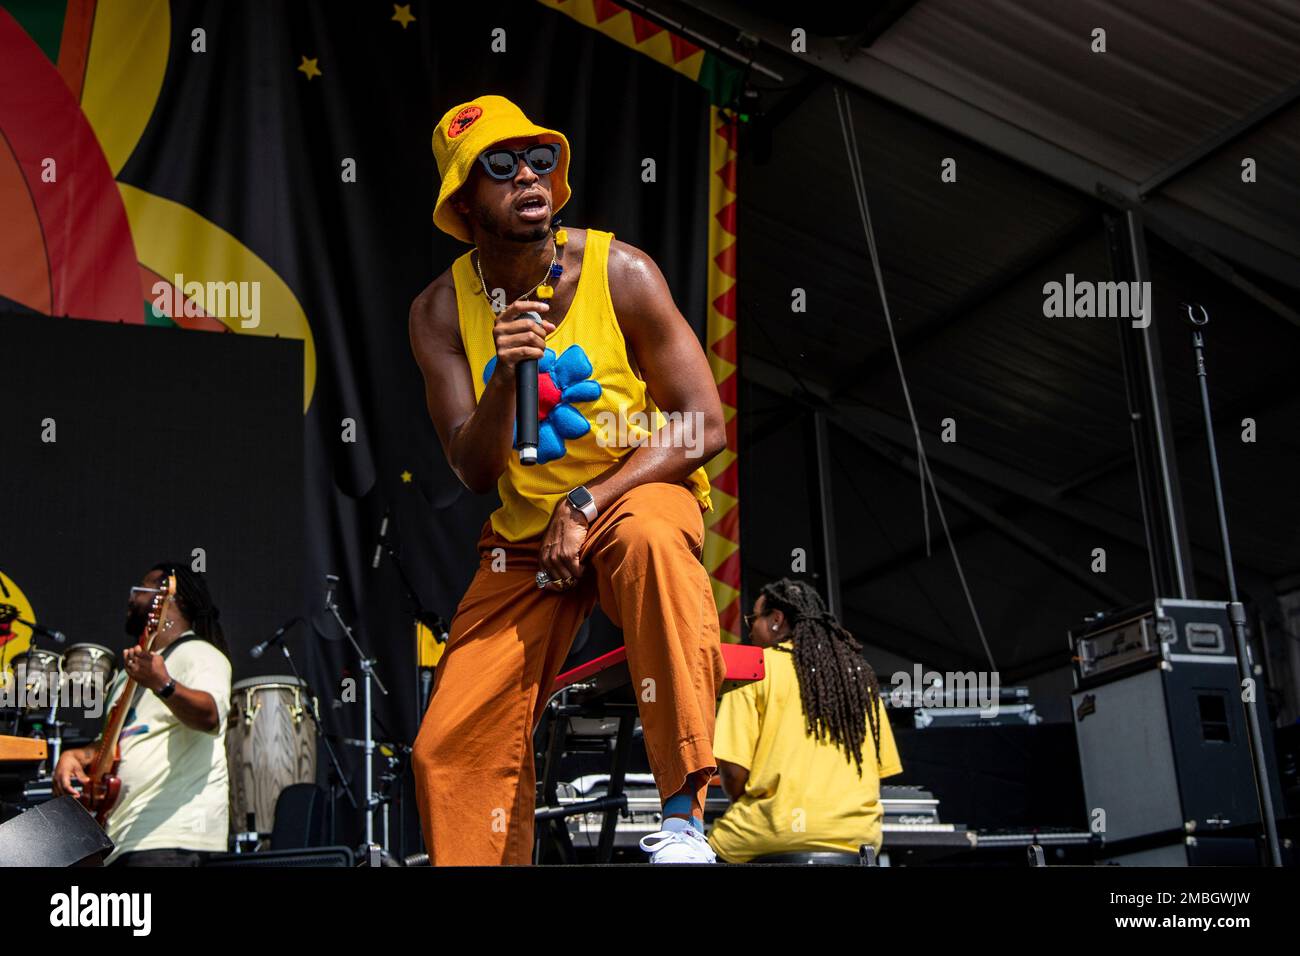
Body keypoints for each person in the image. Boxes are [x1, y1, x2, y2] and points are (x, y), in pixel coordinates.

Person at [408, 94, 728, 864]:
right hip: (525, 537)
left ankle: (684, 822)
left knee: (653, 539)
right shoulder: (440, 311)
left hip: (628, 495)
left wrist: (588, 502)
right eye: (501, 164)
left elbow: (703, 424)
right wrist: (501, 380)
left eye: (541, 159)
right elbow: (474, 469)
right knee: (444, 745)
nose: (529, 176)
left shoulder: (622, 272)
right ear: (463, 199)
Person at [709, 578, 903, 863]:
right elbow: (879, 772)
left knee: (694, 850)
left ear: (776, 620)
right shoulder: (859, 675)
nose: (749, 628)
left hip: (771, 833)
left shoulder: (754, 670)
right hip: (855, 839)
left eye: (753, 619)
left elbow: (734, 773)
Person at [52, 564, 232, 866]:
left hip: (175, 837)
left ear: (169, 599)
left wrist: (162, 684)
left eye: (142, 588)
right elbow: (116, 745)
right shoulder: (126, 676)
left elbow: (209, 717)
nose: (132, 597)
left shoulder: (199, 653)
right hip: (123, 840)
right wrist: (78, 756)